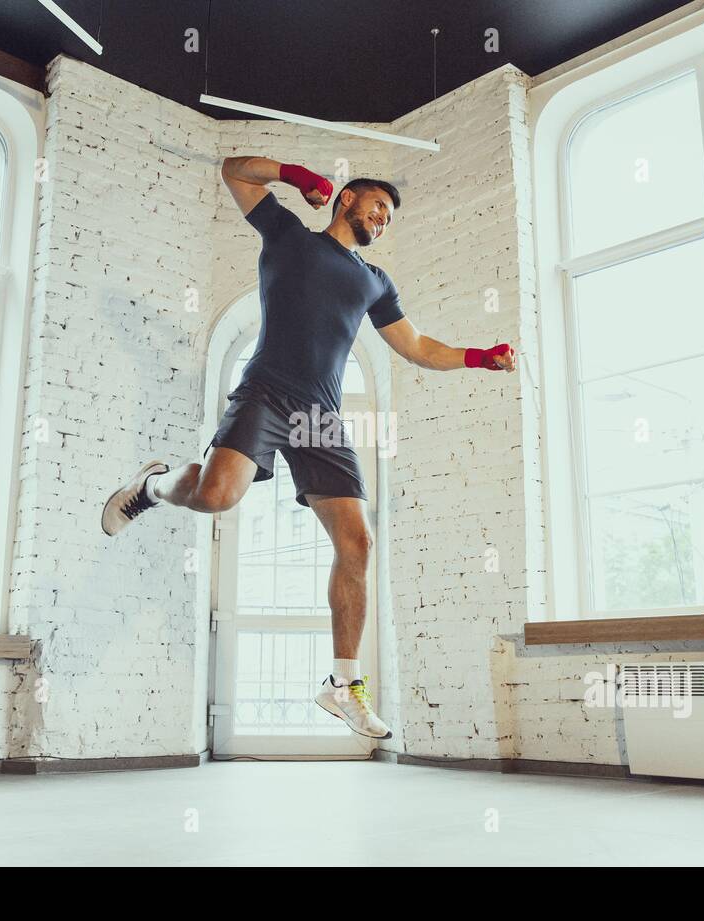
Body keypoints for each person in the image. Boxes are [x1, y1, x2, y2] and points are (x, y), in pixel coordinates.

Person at [101, 156, 516, 740]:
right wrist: (295, 175)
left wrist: (478, 357)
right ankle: (151, 485)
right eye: (378, 206)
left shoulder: (376, 281)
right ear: (347, 199)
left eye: (390, 217)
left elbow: (418, 346)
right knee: (215, 496)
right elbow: (234, 172)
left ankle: (342, 685)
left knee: (358, 542)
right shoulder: (289, 237)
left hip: (320, 417)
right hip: (266, 394)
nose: (383, 219)